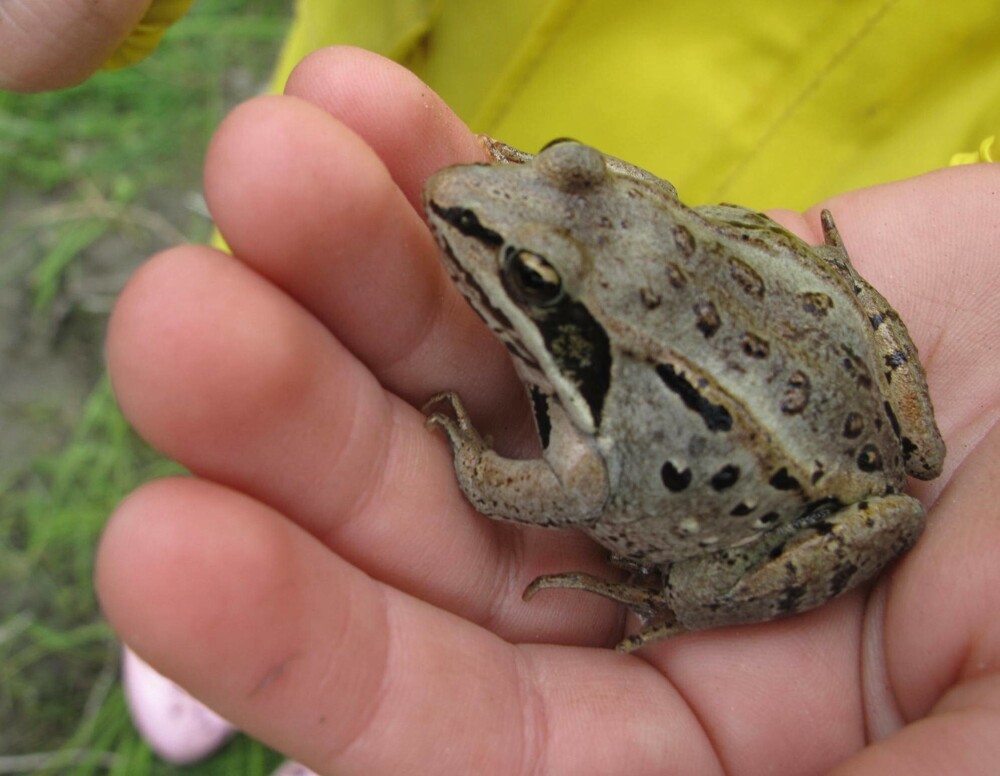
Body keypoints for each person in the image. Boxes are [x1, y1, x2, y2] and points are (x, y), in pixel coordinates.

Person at [8, 4, 1000, 775]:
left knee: (675, 578)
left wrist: (467, 453)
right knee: (268, 398)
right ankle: (234, 615)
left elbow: (564, 488)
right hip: (794, 359)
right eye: (563, 169)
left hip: (797, 494)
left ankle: (275, 656)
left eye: (529, 281)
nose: (460, 197)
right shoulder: (613, 202)